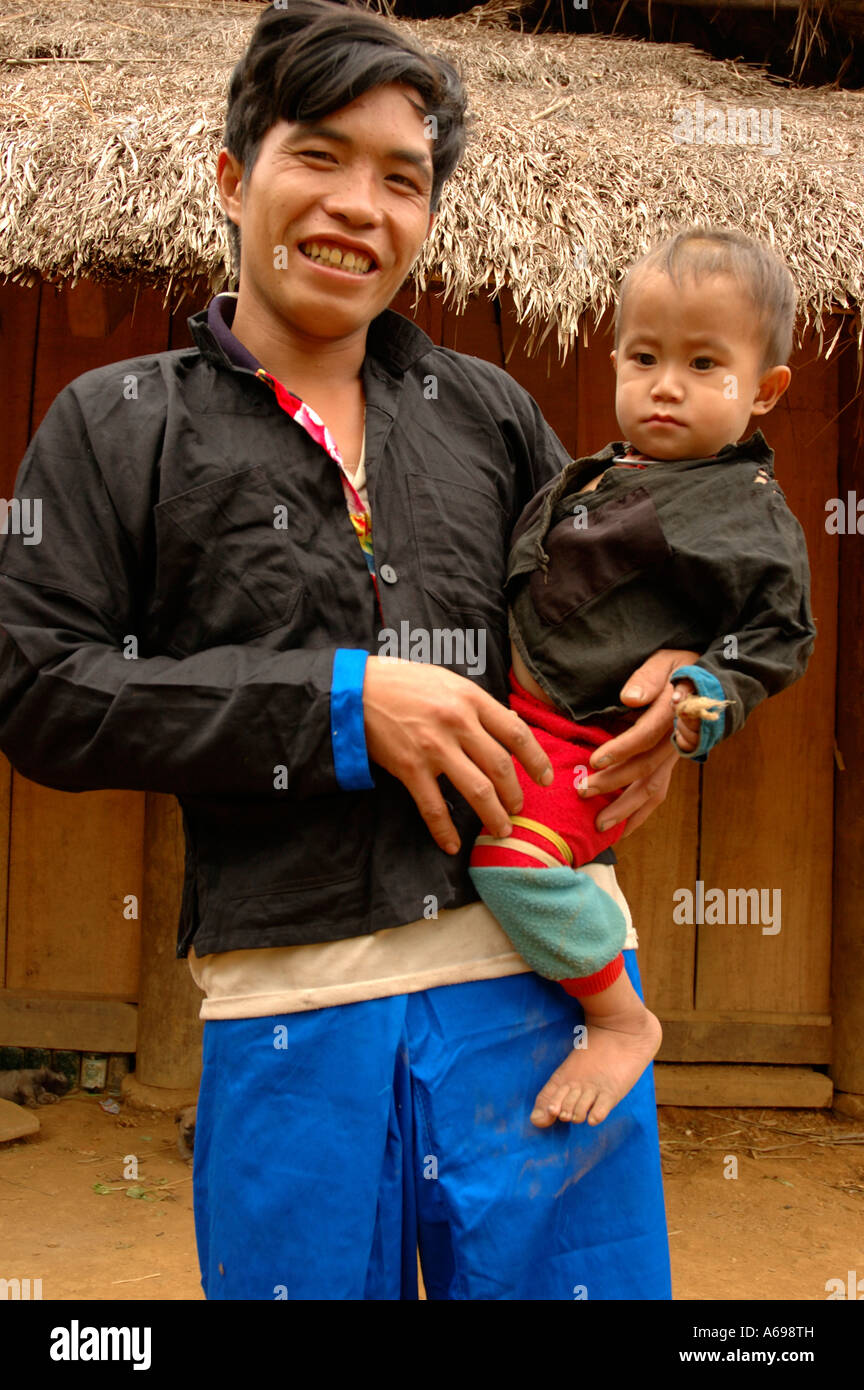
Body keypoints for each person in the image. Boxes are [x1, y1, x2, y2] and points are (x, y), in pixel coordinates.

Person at [0, 0, 700, 1300]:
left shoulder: (487, 411)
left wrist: (676, 710)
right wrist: (334, 705)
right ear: (232, 175)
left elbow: (620, 620)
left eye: (402, 177)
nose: (358, 205)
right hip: (290, 1011)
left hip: (546, 991)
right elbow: (40, 689)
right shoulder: (117, 425)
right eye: (318, 154)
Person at [469, 227, 816, 1131]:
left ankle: (618, 1017)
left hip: (587, 742)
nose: (667, 385)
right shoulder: (601, 470)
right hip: (520, 709)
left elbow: (780, 634)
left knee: (509, 864)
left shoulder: (743, 511)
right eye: (646, 356)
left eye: (705, 364)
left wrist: (704, 684)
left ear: (765, 390)